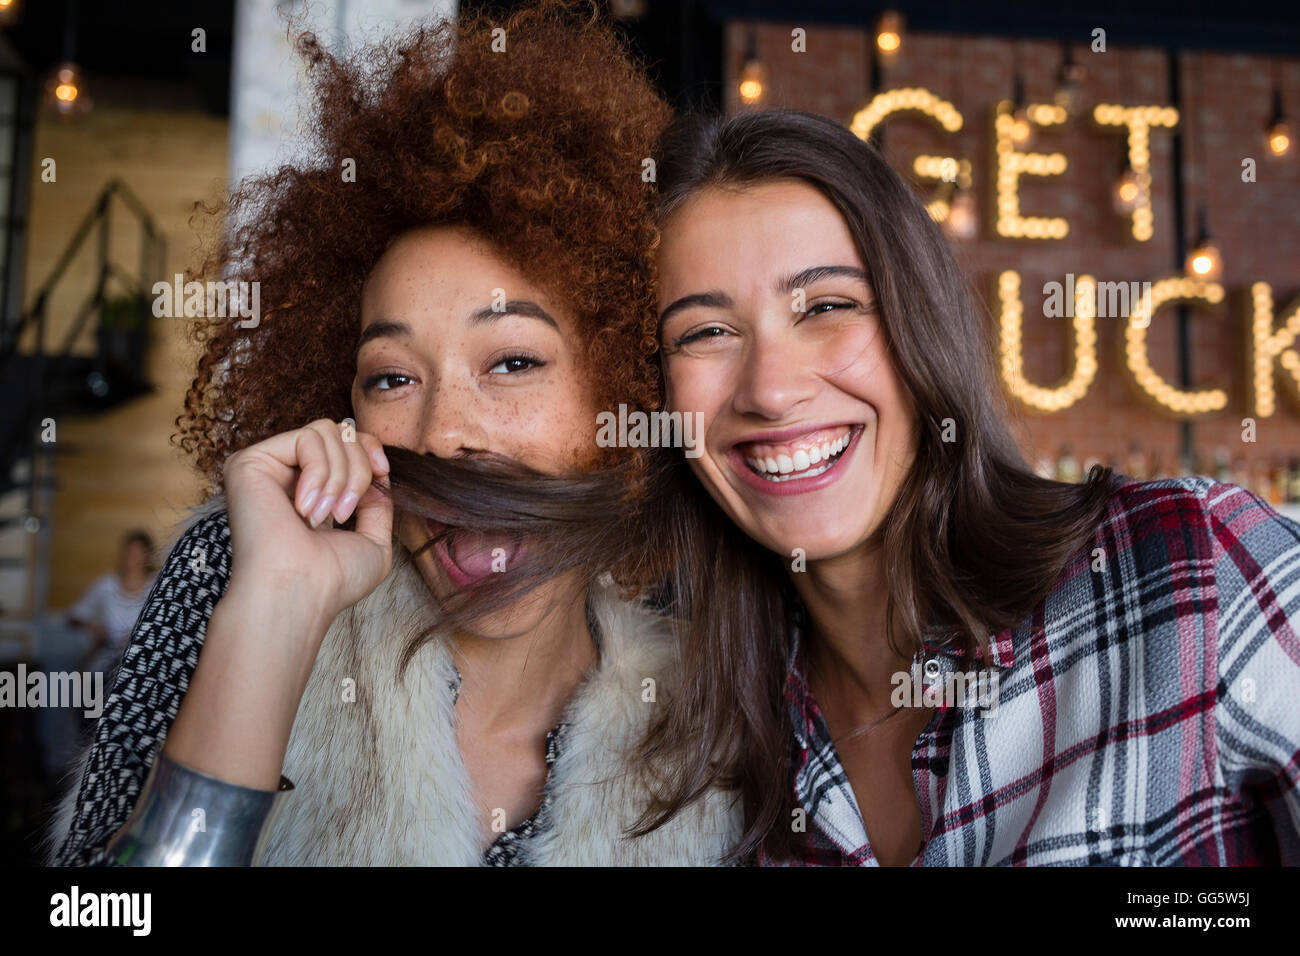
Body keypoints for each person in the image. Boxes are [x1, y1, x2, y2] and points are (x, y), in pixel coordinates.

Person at [44, 1, 740, 867]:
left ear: (625, 394)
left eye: (514, 362)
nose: (444, 432)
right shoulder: (228, 581)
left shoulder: (710, 731)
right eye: (392, 378)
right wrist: (273, 619)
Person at [633, 108, 1300, 866]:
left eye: (827, 307)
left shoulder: (1197, 570)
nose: (772, 391)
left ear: (920, 319)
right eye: (705, 333)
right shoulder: (691, 745)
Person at [66, 529, 157, 676]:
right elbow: (74, 615)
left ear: (147, 557)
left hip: (144, 657)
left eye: (138, 554)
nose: (133, 559)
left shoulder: (157, 585)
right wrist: (92, 628)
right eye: (130, 553)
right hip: (109, 655)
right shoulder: (106, 585)